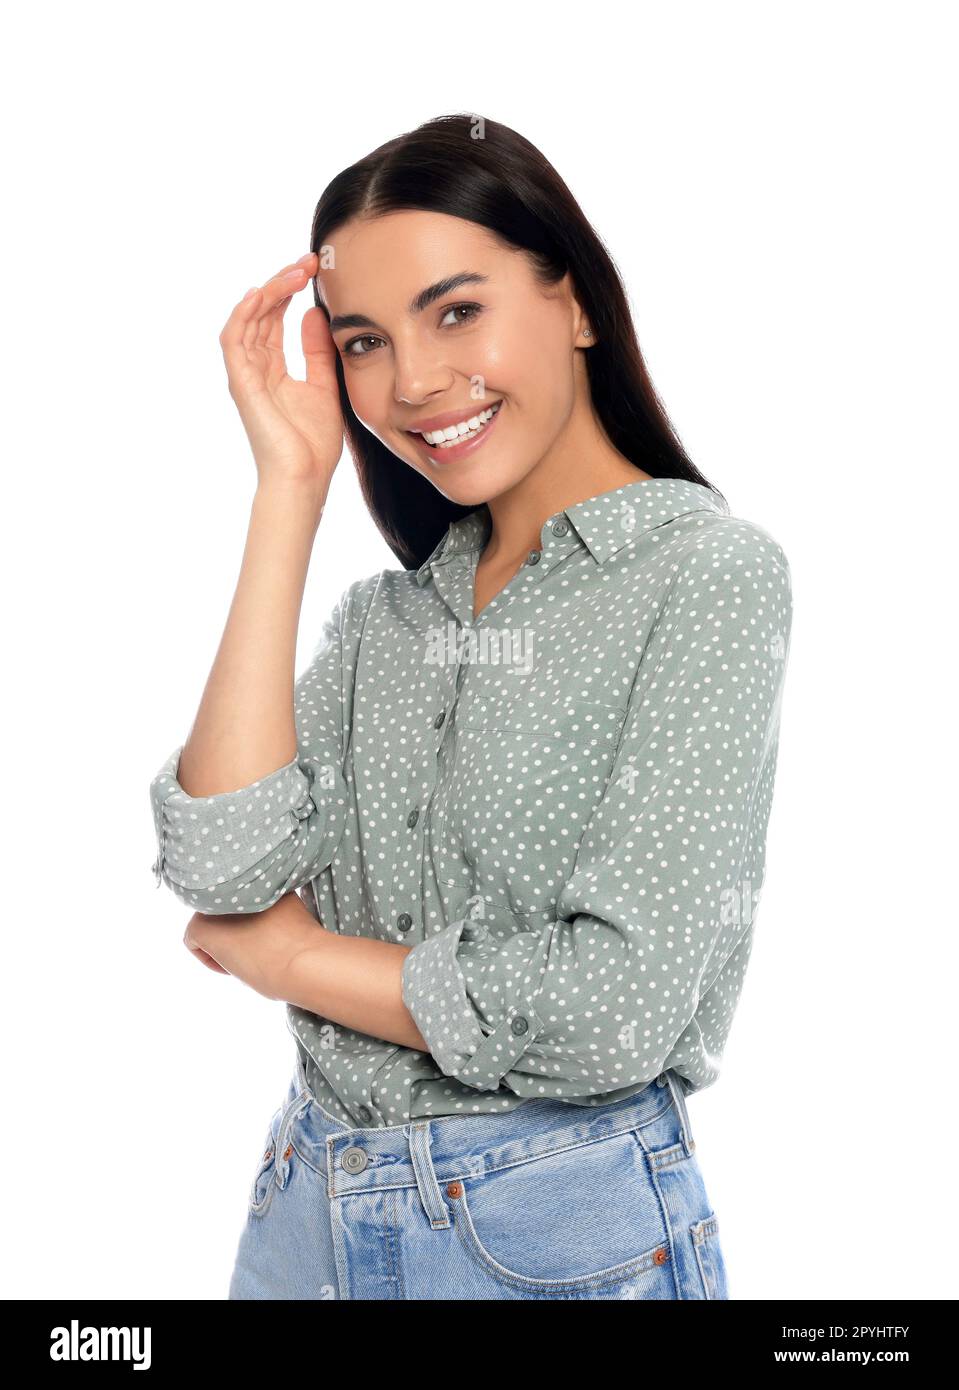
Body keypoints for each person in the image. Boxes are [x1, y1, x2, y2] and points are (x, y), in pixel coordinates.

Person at [149, 114, 792, 1300]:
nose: (413, 382)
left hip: (547, 1231)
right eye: (361, 341)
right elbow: (219, 863)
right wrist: (289, 488)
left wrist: (292, 958)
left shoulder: (704, 577)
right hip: (307, 1204)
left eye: (456, 311)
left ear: (576, 301)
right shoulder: (378, 624)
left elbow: (613, 1012)